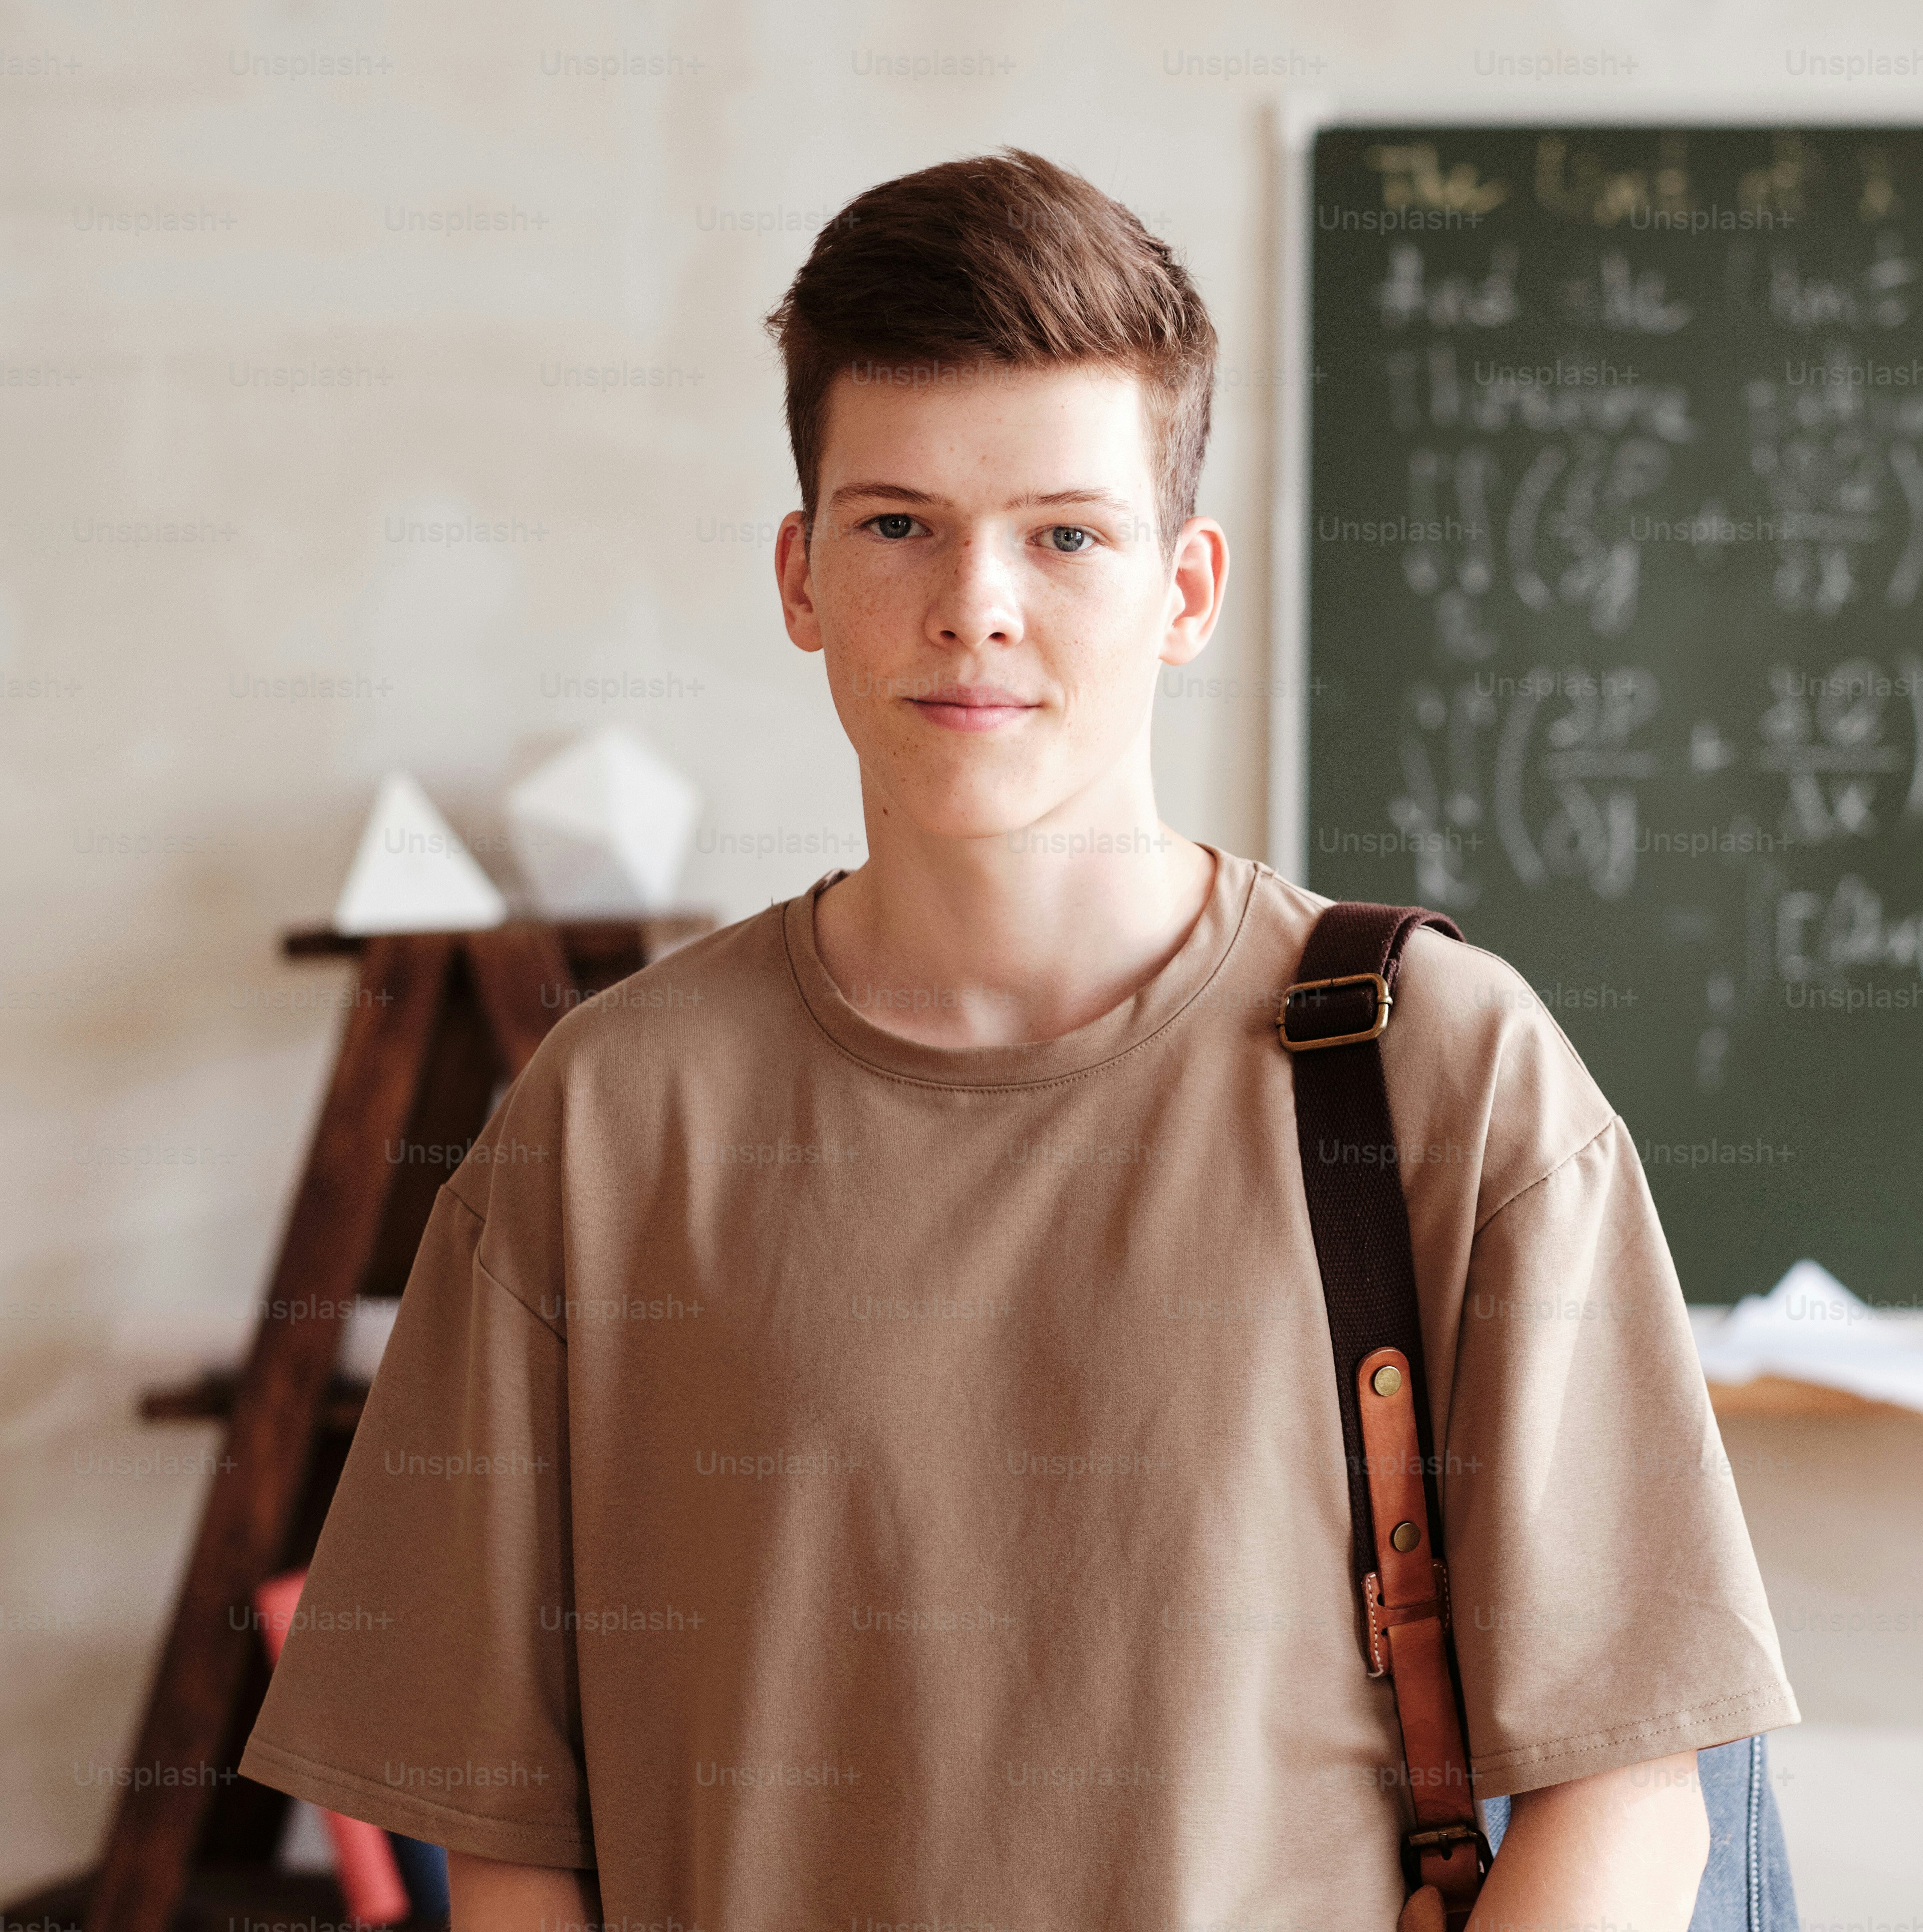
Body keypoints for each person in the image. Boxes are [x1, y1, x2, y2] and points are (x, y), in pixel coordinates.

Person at [238, 148, 1797, 1931]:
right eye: (897, 521)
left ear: (1188, 589)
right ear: (800, 573)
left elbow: (1628, 1796)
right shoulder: (608, 1119)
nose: (977, 602)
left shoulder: (1440, 1071)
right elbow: (503, 1839)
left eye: (1067, 533)